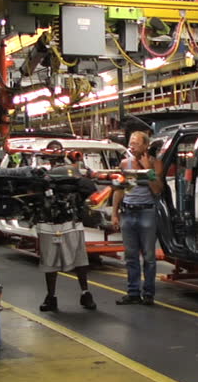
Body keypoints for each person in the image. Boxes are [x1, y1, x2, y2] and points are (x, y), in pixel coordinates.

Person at [37, 150, 98, 312]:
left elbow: (90, 188)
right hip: (49, 224)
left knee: (80, 260)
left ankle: (85, 293)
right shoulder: (40, 177)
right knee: (49, 262)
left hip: (71, 223)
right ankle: (51, 297)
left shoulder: (74, 176)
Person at [111, 131, 164, 306]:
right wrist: (115, 213)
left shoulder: (155, 164)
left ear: (145, 146)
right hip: (128, 212)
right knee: (130, 256)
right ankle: (133, 292)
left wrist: (145, 169)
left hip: (146, 212)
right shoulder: (125, 164)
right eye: (130, 142)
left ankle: (148, 293)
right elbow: (120, 189)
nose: (132, 146)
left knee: (149, 256)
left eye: (136, 143)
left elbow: (157, 190)